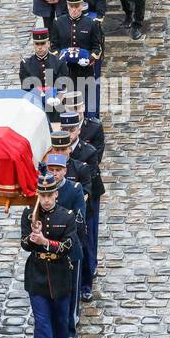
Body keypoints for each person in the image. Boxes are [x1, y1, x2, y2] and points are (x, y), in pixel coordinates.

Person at [20, 172, 77, 338]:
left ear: (56, 195)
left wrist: (45, 241)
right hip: (38, 275)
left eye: (49, 195)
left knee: (61, 319)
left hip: (60, 274)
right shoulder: (29, 215)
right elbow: (25, 245)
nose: (45, 199)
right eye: (42, 195)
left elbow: (66, 246)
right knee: (42, 323)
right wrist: (33, 239)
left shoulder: (67, 216)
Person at [43, 150, 86, 338]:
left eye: (58, 170)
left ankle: (70, 327)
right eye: (51, 170)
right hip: (48, 249)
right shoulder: (42, 190)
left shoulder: (74, 189)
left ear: (65, 170)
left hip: (69, 249)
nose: (55, 174)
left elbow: (79, 219)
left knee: (71, 291)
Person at [63, 111, 105, 303]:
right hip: (62, 204)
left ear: (78, 130)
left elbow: (88, 183)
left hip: (83, 204)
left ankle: (86, 285)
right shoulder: (55, 151)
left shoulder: (87, 152)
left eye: (72, 130)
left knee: (85, 244)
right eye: (65, 129)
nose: (69, 133)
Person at [52, 0, 104, 115]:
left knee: (88, 106)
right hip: (66, 72)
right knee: (68, 109)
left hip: (85, 72)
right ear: (67, 5)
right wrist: (60, 57)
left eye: (77, 6)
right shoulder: (58, 23)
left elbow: (97, 48)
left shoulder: (91, 23)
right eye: (71, 6)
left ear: (82, 5)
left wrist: (89, 60)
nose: (74, 10)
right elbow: (53, 47)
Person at [19, 26, 70, 97]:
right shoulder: (25, 64)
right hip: (35, 100)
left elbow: (62, 86)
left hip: (55, 99)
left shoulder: (59, 61)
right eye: (37, 44)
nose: (40, 47)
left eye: (43, 43)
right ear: (33, 45)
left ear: (48, 44)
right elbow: (26, 88)